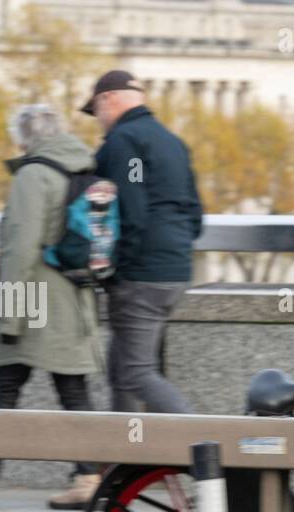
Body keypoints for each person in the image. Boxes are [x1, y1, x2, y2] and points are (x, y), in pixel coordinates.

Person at [0, 104, 102, 511]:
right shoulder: (83, 167)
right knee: (70, 387)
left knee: (6, 388)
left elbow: (20, 247)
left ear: (24, 137)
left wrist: (9, 312)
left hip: (35, 298)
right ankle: (88, 477)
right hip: (73, 296)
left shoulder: (34, 174)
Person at [82, 69, 202, 414]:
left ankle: (205, 446)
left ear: (108, 98)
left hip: (142, 275)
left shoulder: (125, 141)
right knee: (122, 369)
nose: (99, 121)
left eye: (96, 111)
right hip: (174, 270)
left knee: (135, 373)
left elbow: (130, 211)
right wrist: (173, 251)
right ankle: (128, 460)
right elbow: (195, 212)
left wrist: (117, 265)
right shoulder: (172, 142)